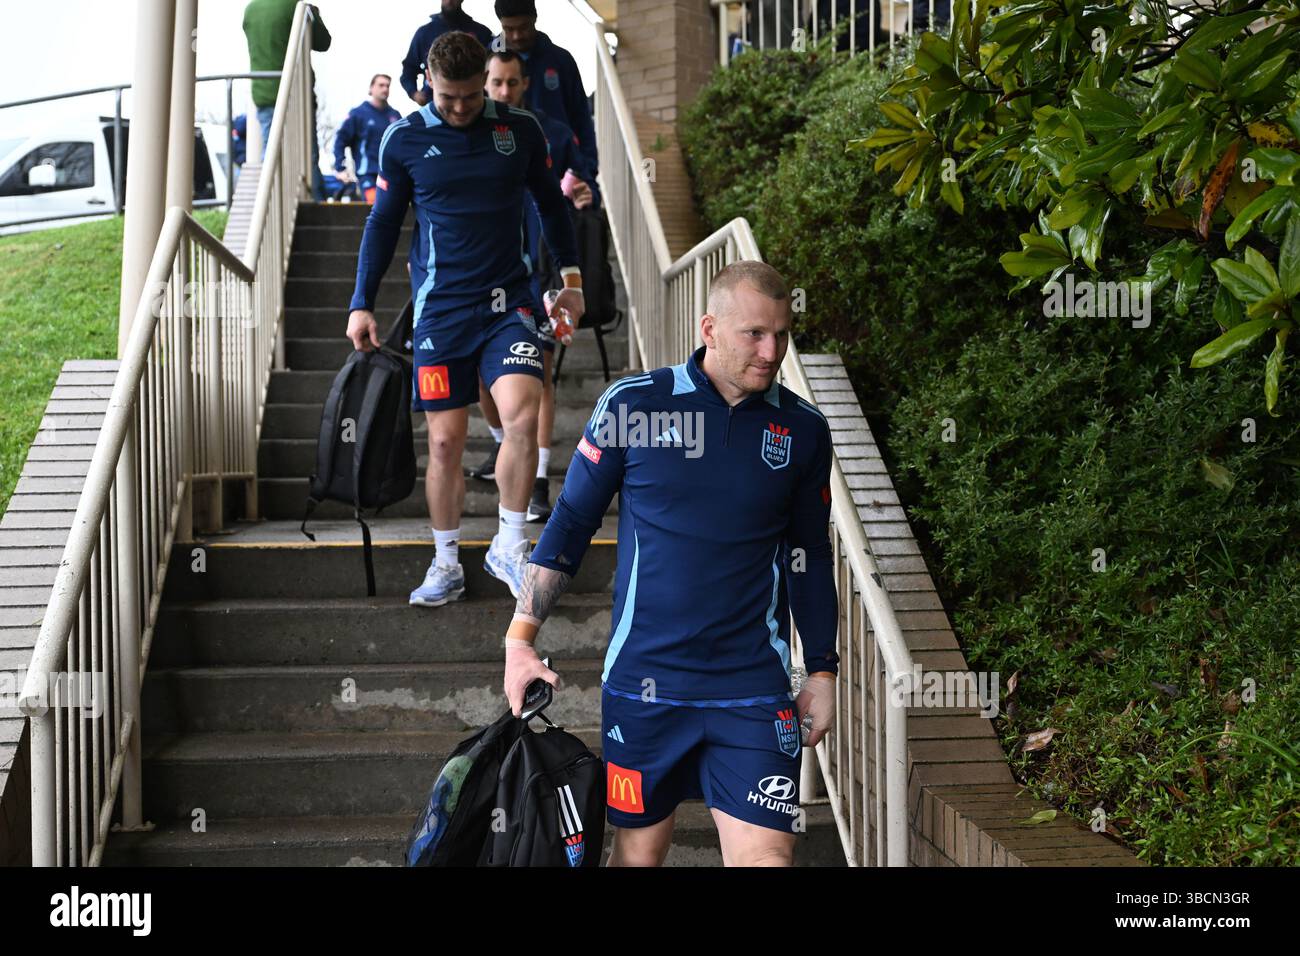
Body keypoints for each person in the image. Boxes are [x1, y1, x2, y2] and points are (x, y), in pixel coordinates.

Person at [502, 260, 841, 867]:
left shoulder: (805, 431)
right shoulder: (635, 405)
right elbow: (572, 524)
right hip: (645, 685)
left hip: (752, 692)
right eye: (755, 334)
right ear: (709, 328)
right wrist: (520, 639)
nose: (773, 351)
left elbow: (810, 557)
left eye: (782, 334)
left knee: (770, 860)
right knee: (637, 856)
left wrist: (821, 670)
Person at [346, 31, 585, 607]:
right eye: (448, 97)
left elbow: (552, 206)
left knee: (522, 417)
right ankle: (447, 561)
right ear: (427, 82)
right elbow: (382, 226)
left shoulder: (519, 131)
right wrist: (360, 302)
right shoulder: (401, 139)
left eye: (471, 97)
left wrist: (572, 282)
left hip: (510, 305)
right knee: (447, 442)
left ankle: (510, 542)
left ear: (488, 83)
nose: (459, 108)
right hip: (440, 314)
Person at [469, 49, 599, 524]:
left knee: (540, 378)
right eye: (496, 83)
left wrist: (584, 194)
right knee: (484, 377)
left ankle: (539, 479)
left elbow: (586, 191)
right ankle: (507, 447)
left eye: (512, 82)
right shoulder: (468, 135)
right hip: (484, 275)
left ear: (525, 83)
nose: (504, 91)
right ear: (485, 83)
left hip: (542, 275)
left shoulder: (553, 134)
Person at [493, 0, 597, 178]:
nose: (516, 35)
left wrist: (588, 168)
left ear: (534, 18)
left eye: (523, 27)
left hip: (560, 169)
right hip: (505, 169)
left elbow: (582, 119)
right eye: (509, 29)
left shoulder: (562, 61)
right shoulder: (488, 60)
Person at [243, 0, 331, 198]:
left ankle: (267, 198)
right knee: (308, 155)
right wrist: (314, 14)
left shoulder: (250, 9)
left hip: (263, 90)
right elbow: (323, 42)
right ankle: (319, 206)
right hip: (296, 93)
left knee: (271, 151)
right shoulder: (295, 7)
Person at [400, 2, 495, 106]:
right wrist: (414, 93)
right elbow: (409, 69)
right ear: (429, 77)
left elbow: (496, 68)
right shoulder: (424, 33)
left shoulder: (482, 32)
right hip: (434, 105)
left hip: (475, 107)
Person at [333, 74, 402, 203]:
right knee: (374, 205)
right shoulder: (358, 114)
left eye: (388, 86)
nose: (385, 89)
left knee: (394, 210)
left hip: (392, 174)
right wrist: (340, 167)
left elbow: (404, 146)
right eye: (381, 85)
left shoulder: (395, 116)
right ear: (371, 89)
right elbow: (340, 140)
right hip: (368, 174)